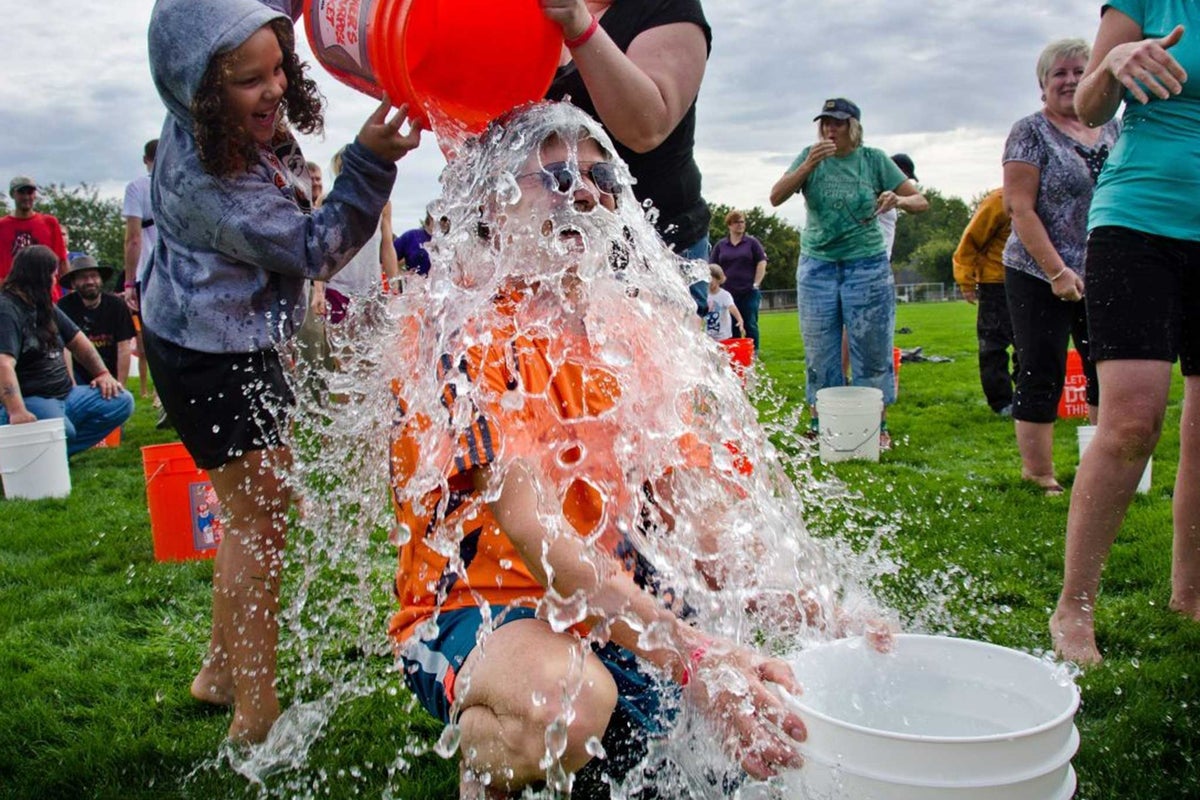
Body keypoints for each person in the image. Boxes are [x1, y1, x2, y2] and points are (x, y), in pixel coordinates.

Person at [387, 103, 891, 798]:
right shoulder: (460, 329)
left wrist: (815, 608)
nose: (585, 194)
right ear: (494, 207)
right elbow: (540, 538)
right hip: (479, 609)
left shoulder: (631, 331)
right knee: (565, 707)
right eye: (556, 177)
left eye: (602, 180)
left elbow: (699, 515)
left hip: (608, 607)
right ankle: (489, 766)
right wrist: (695, 656)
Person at [142, 0, 422, 743]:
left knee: (256, 509)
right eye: (248, 81)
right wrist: (369, 164)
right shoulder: (211, 180)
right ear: (200, 92)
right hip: (208, 356)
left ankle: (220, 673)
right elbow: (314, 249)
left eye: (278, 68)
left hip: (224, 336)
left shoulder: (217, 113)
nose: (273, 89)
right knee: (259, 520)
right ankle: (254, 717)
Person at [1051, 4, 1199, 665]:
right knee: (1133, 423)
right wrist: (1111, 64)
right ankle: (1073, 607)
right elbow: (1090, 105)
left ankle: (1190, 595)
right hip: (1138, 223)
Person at [769, 98, 928, 448]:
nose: (830, 129)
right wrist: (808, 165)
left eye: (838, 123)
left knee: (872, 349)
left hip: (866, 265)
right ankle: (820, 424)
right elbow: (776, 197)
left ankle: (877, 427)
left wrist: (898, 200)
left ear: (854, 127)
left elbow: (920, 200)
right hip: (817, 266)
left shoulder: (874, 160)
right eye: (825, 123)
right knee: (820, 351)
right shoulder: (809, 157)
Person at [541, 0, 713, 317]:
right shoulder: (524, 13)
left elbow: (645, 128)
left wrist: (580, 27)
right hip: (548, 249)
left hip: (657, 248)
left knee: (646, 349)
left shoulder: (666, 6)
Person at [1002, 38, 1121, 495]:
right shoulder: (1029, 132)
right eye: (1060, 74)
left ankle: (1105, 469)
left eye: (1079, 72)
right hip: (1036, 270)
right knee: (1041, 368)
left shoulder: (1115, 128)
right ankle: (1039, 474)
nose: (1070, 80)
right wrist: (1057, 271)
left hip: (1104, 268)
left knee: (1106, 369)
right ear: (1043, 85)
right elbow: (1019, 208)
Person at [0, 246, 133, 453]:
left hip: (66, 394)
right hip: (32, 398)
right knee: (65, 432)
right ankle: (39, 449)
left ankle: (56, 452)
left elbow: (79, 341)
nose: (55, 281)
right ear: (39, 276)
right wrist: (17, 411)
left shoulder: (43, 305)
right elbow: (3, 363)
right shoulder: (7, 310)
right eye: (52, 275)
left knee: (122, 401)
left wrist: (103, 373)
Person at [310, 145, 399, 325]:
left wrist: (394, 287)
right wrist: (318, 291)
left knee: (374, 341)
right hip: (337, 286)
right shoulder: (328, 200)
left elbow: (387, 247)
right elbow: (318, 247)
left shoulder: (382, 203)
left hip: (372, 289)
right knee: (339, 342)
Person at [953, 188, 1017, 415]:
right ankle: (1002, 402)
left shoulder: (1045, 197)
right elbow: (970, 241)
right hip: (996, 282)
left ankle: (1028, 397)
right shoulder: (999, 201)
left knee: (1030, 345)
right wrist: (966, 280)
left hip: (1033, 279)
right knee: (993, 345)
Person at [56, 255, 137, 387]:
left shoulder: (117, 305)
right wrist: (72, 386)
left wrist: (121, 385)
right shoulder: (64, 306)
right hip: (79, 375)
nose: (89, 281)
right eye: (83, 277)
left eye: (93, 276)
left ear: (101, 280)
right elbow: (65, 349)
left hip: (110, 371)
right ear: (73, 283)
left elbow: (123, 347)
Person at [122, 139, 157, 399]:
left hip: (150, 272)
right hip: (185, 272)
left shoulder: (137, 188)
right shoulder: (182, 183)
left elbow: (133, 239)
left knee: (153, 338)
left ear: (145, 159)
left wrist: (128, 282)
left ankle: (160, 394)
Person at [0, 176, 69, 300]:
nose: (26, 197)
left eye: (30, 192)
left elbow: (62, 261)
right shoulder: (2, 226)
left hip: (47, 296)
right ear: (12, 194)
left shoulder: (49, 223)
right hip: (11, 296)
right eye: (21, 192)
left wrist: (71, 293)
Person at [709, 209, 765, 352]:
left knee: (750, 322)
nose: (740, 225)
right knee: (731, 324)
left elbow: (761, 262)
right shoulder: (721, 245)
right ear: (729, 225)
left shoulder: (752, 243)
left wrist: (756, 283)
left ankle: (753, 353)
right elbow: (712, 267)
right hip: (728, 292)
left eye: (742, 222)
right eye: (736, 222)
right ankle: (735, 353)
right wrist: (715, 285)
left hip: (748, 291)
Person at [705, 263, 744, 342]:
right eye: (707, 279)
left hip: (724, 336)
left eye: (711, 280)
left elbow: (732, 307)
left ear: (719, 279)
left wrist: (740, 320)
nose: (709, 282)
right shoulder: (704, 295)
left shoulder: (724, 295)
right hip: (709, 336)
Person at [393, 208, 434, 277]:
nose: (446, 222)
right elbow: (387, 259)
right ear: (430, 216)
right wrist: (401, 274)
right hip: (416, 282)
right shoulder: (412, 236)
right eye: (443, 219)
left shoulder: (450, 240)